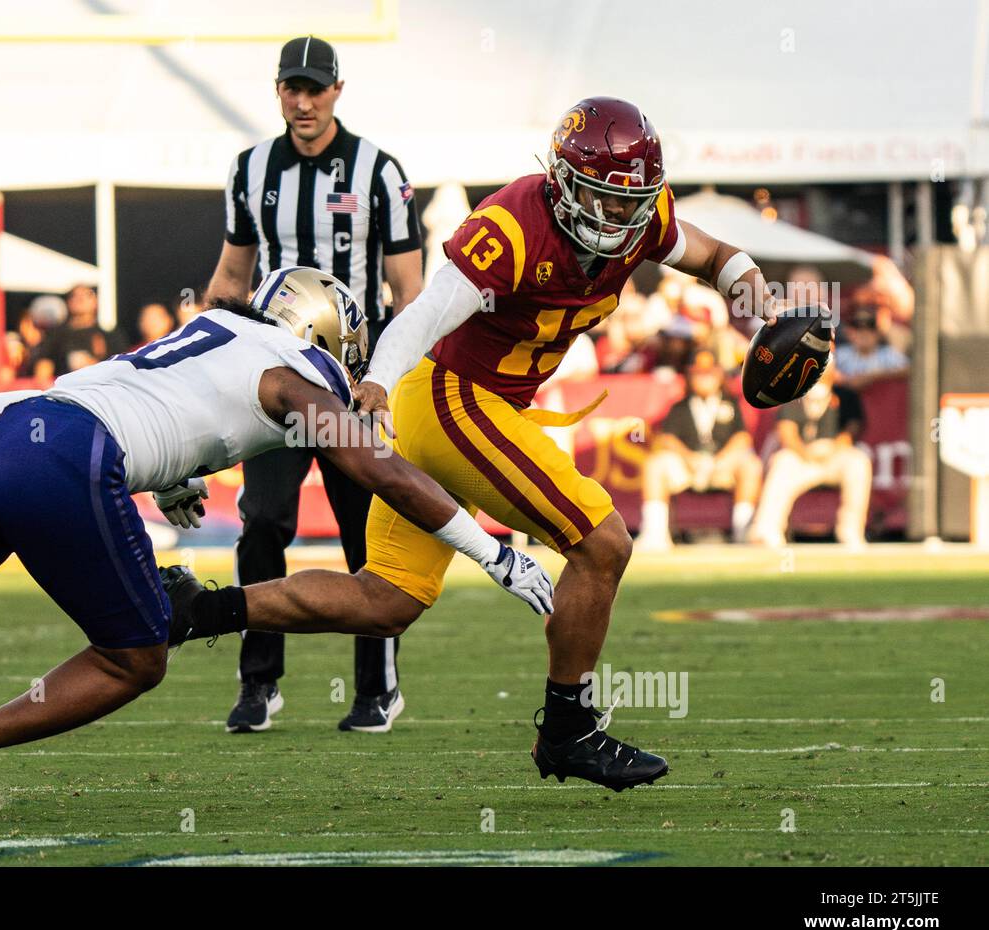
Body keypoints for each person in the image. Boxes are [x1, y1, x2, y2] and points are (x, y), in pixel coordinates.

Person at [0, 268, 552, 819]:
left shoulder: (214, 329)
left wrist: (171, 474)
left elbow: (144, 400)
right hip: (65, 458)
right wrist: (495, 553)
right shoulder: (301, 371)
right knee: (137, 656)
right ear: (331, 335)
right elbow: (388, 476)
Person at [172, 97, 782, 792]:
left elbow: (716, 257)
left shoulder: (641, 214)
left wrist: (765, 302)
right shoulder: (513, 226)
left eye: (631, 203)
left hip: (483, 404)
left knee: (385, 600)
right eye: (606, 201)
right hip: (452, 398)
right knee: (603, 542)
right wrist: (373, 383)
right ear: (564, 184)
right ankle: (569, 731)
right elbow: (424, 313)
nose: (620, 219)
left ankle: (199, 609)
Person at [204, 35, 424, 733]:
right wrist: (205, 355)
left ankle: (376, 688)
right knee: (263, 521)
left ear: (337, 90)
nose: (302, 101)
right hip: (273, 380)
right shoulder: (251, 169)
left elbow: (408, 291)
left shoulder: (378, 172)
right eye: (290, 88)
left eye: (314, 88)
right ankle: (259, 680)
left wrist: (385, 379)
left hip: (350, 384)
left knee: (368, 538)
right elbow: (231, 279)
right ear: (278, 91)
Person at [637, 349, 762, 549]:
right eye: (699, 374)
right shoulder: (680, 407)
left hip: (722, 467)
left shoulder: (731, 404)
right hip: (689, 467)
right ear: (690, 376)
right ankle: (655, 532)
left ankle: (743, 530)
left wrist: (723, 459)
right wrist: (688, 458)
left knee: (751, 465)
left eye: (709, 374)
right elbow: (667, 438)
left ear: (719, 375)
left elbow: (742, 437)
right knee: (654, 465)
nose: (704, 380)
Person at [750, 365, 871, 549]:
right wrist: (806, 454)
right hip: (802, 456)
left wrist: (833, 449)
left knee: (858, 462)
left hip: (834, 455)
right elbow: (786, 432)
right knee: (782, 462)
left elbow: (851, 429)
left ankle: (851, 532)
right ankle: (766, 531)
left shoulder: (844, 394)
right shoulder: (794, 393)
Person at [30, 285, 108, 380]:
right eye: (74, 296)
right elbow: (44, 365)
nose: (80, 299)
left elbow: (117, 367)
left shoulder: (108, 335)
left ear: (95, 301)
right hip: (64, 390)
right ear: (68, 302)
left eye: (86, 295)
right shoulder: (56, 334)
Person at [833, 302, 909, 391]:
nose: (864, 333)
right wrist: (844, 380)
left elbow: (909, 369)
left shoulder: (887, 353)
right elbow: (822, 371)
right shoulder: (841, 353)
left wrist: (872, 376)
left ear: (878, 333)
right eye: (858, 329)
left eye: (870, 329)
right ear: (849, 333)